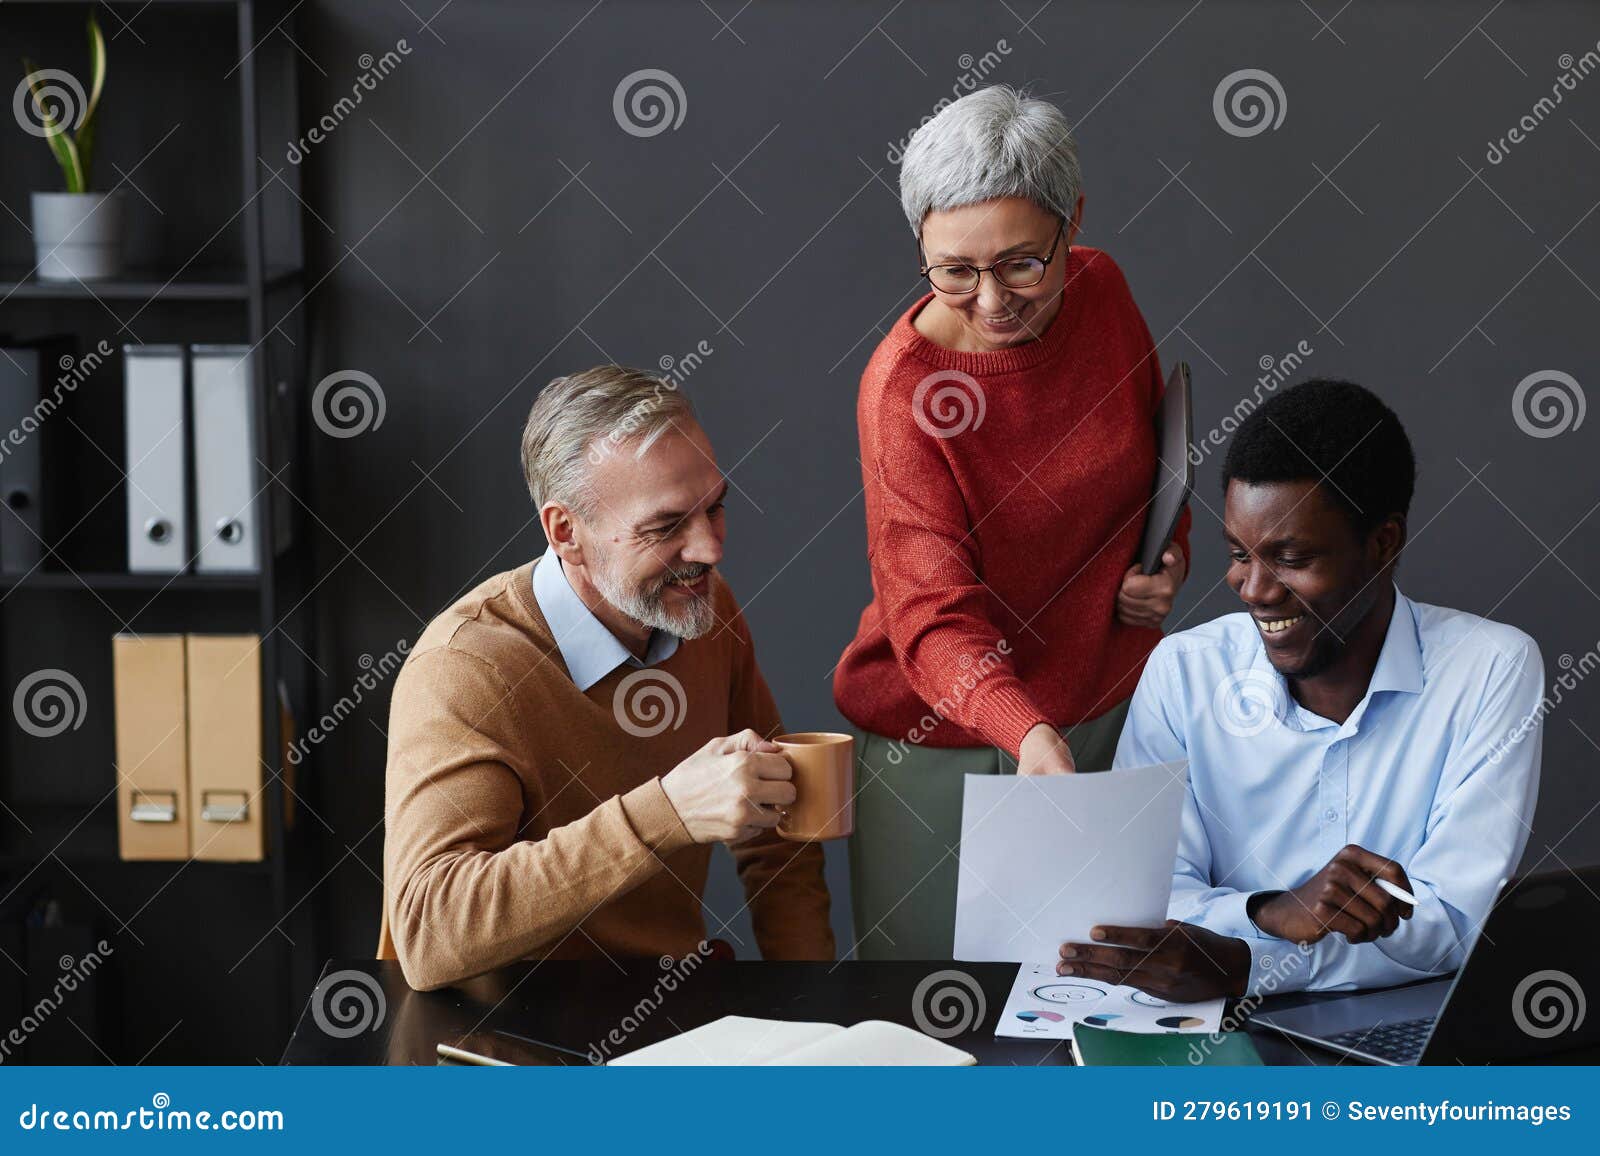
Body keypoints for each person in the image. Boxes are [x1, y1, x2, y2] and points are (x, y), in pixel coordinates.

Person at [832, 85, 1189, 959]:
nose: (991, 300)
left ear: (1074, 221)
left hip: (1114, 711)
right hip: (950, 742)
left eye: (1022, 264)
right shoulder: (904, 392)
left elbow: (1157, 456)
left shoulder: (1103, 291)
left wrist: (1165, 562)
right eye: (954, 270)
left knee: (1109, 998)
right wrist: (1024, 730)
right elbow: (930, 615)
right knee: (939, 1018)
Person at [1057, 380, 1543, 998]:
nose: (1255, 589)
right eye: (1240, 554)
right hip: (1197, 1024)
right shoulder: (1183, 671)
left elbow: (1453, 925)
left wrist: (1246, 964)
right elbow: (1144, 901)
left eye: (1290, 558)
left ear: (1383, 544)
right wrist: (1270, 912)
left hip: (1394, 1033)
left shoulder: (1490, 670)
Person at [381, 366, 833, 990]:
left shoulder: (703, 609)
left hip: (671, 1006)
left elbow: (779, 832)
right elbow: (430, 934)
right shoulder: (466, 667)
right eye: (666, 526)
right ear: (566, 532)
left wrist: (813, 1003)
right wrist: (667, 811)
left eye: (715, 508)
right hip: (505, 1027)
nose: (709, 549)